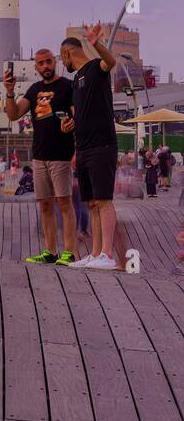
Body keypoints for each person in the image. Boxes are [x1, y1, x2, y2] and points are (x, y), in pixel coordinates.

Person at [5, 48, 78, 265]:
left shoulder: (67, 86)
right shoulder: (33, 89)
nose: (45, 66)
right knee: (45, 205)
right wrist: (9, 92)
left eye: (48, 62)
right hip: (39, 156)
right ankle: (50, 251)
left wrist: (71, 127)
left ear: (54, 62)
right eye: (41, 63)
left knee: (64, 202)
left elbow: (77, 116)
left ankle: (70, 252)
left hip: (61, 155)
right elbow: (13, 114)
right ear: (36, 67)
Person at [61, 24, 120, 270]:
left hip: (102, 144)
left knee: (103, 200)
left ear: (66, 54)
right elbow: (82, 114)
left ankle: (107, 253)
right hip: (83, 147)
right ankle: (95, 253)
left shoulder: (96, 68)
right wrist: (70, 126)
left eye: (60, 58)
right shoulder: (76, 81)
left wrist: (96, 44)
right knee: (92, 202)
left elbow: (111, 61)